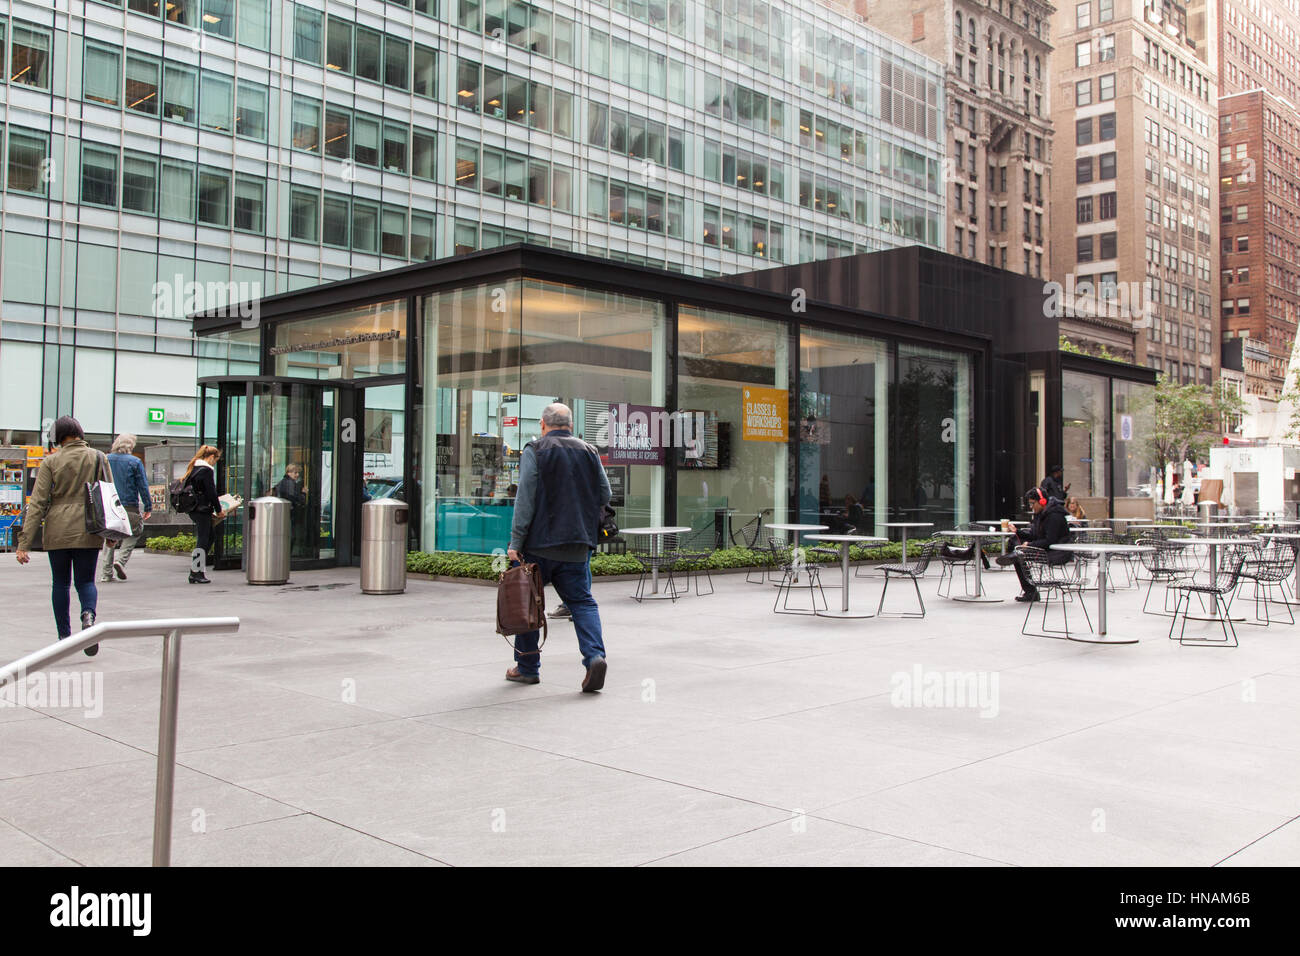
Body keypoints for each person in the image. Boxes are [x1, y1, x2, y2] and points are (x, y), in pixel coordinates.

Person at [505, 403, 610, 692]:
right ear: (570, 424)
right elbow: (605, 493)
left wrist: (516, 541)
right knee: (582, 602)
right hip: (577, 543)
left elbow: (524, 499)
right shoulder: (589, 451)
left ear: (543, 424)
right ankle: (594, 657)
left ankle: (527, 667)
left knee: (528, 603)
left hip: (539, 544)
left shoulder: (535, 450)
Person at [14, 416, 107, 656]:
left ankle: (64, 637)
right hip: (89, 527)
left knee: (61, 583)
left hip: (57, 529)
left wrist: (24, 543)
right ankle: (88, 616)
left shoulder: (51, 461)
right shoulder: (98, 457)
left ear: (59, 436)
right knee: (86, 581)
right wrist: (111, 532)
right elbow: (108, 495)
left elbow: (37, 503)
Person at [996, 487, 1072, 602]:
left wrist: (1031, 544)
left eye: (1032, 503)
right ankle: (1029, 589)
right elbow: (1034, 535)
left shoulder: (1054, 516)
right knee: (1014, 542)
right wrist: (1017, 531)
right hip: (1046, 549)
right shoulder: (1040, 514)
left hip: (1058, 552)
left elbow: (1050, 541)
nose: (1031, 507)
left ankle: (1030, 591)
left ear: (1042, 501)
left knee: (1020, 555)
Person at [98, 433, 151, 584]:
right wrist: (148, 506)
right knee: (134, 531)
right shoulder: (134, 462)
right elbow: (142, 485)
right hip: (129, 504)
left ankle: (106, 573)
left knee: (109, 534)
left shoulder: (105, 459)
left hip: (109, 503)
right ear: (130, 446)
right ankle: (120, 561)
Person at [182, 445, 225, 584]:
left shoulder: (194, 468)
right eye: (216, 460)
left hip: (194, 509)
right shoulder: (206, 470)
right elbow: (211, 492)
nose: (215, 463)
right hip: (202, 509)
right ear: (211, 457)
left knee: (209, 537)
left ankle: (196, 571)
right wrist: (219, 510)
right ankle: (196, 572)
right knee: (203, 539)